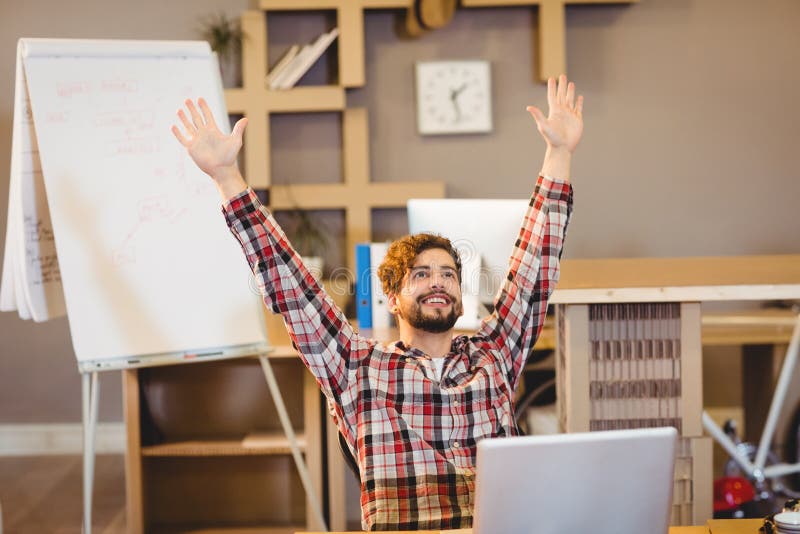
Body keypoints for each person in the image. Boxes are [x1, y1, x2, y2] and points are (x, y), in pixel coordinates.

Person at [172, 74, 583, 531]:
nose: (438, 282)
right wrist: (227, 177)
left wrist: (559, 154)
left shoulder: (494, 353)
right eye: (421, 274)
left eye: (448, 274)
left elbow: (534, 270)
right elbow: (290, 285)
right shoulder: (356, 367)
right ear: (392, 297)